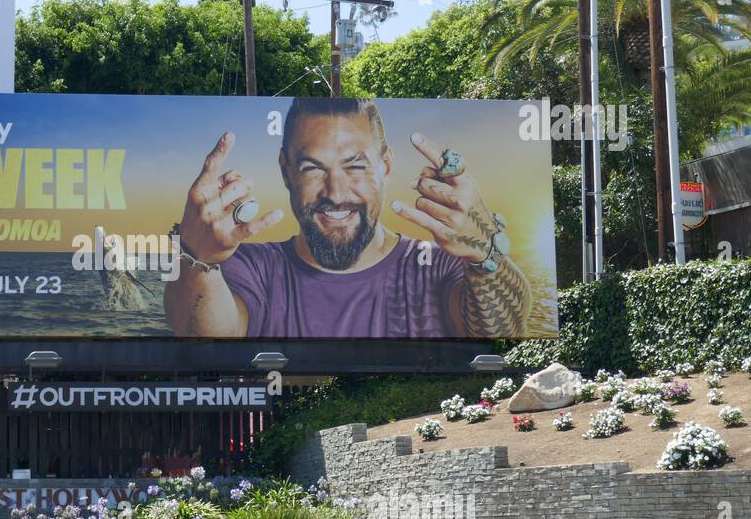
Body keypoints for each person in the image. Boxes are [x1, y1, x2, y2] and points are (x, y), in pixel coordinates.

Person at [162, 97, 532, 338]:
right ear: (285, 170)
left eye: (355, 166)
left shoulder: (440, 265)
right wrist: (198, 257)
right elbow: (201, 336)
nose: (336, 192)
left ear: (385, 166)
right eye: (311, 168)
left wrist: (485, 253)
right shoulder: (250, 268)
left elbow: (505, 333)